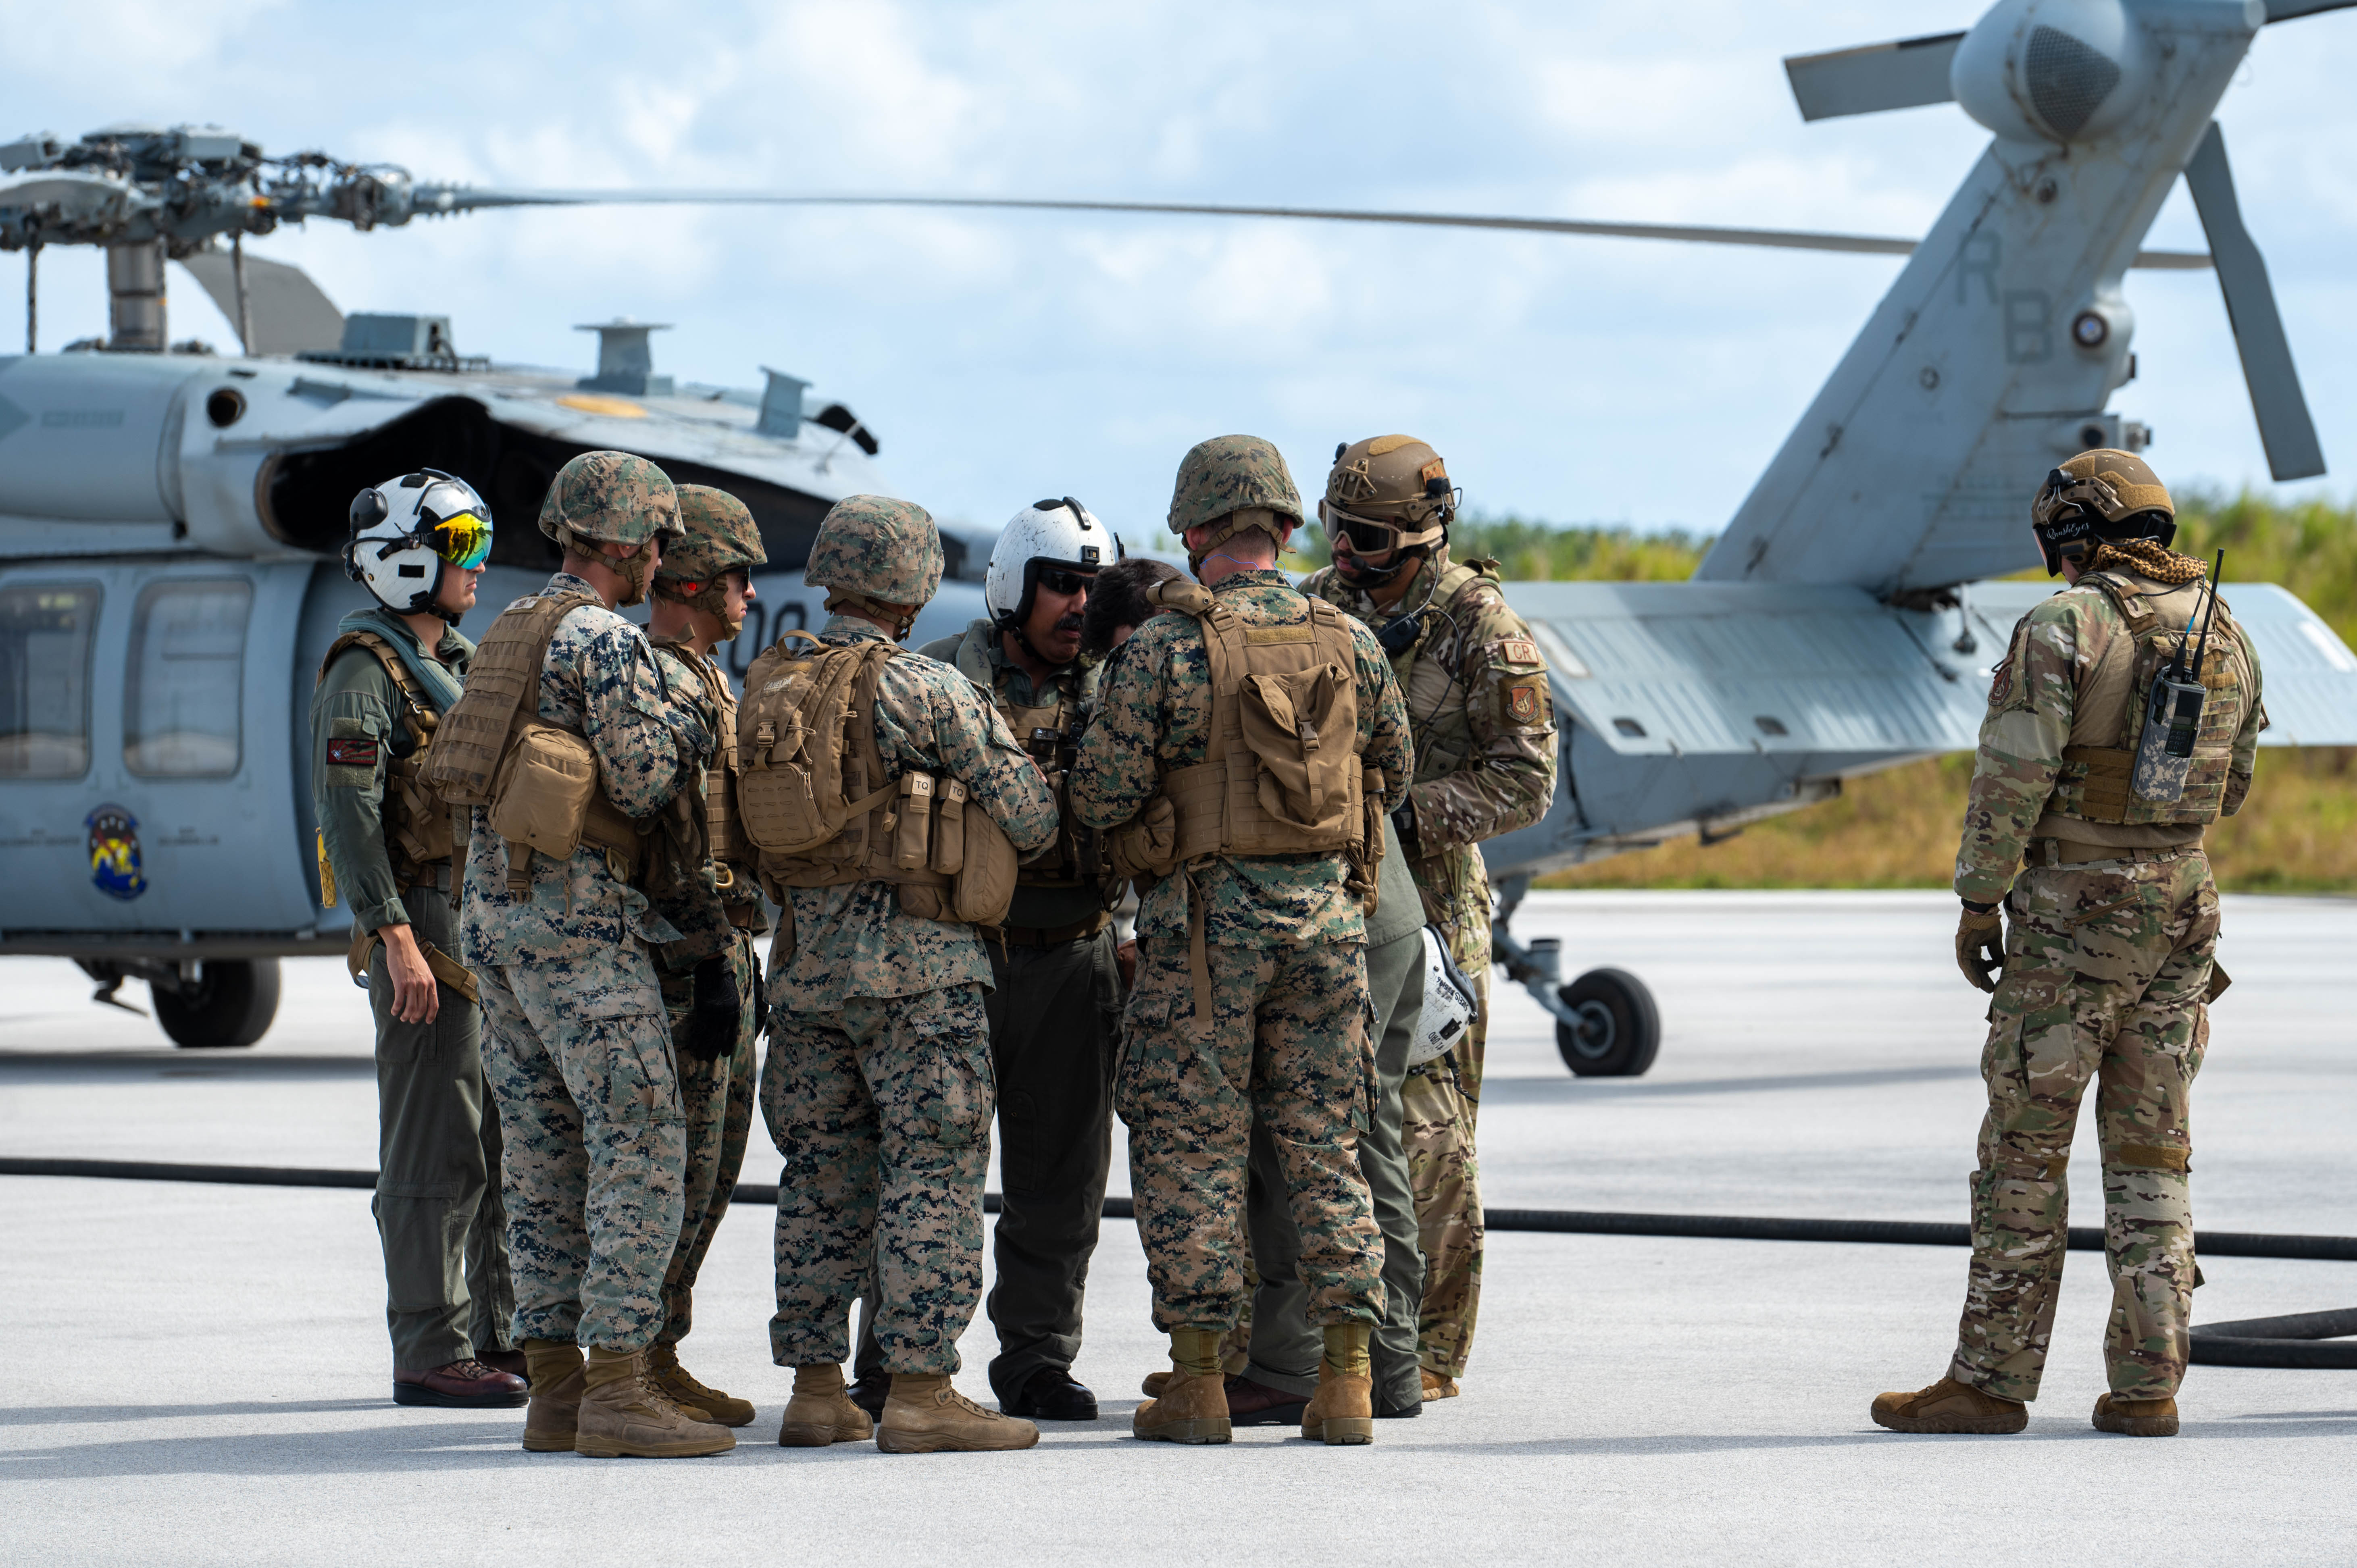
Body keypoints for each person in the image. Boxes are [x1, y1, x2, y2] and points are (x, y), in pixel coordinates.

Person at [1872, 449, 2264, 1440]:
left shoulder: (2063, 625)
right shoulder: (2226, 626)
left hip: (2070, 923)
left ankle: (1991, 1381)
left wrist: (1977, 903)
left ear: (2076, 532)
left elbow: (2010, 781)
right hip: (2181, 909)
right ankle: (2147, 1384)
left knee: (2022, 1152)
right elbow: (2236, 782)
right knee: (2152, 1156)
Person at [1070, 434, 1412, 1447]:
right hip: (1330, 938)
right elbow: (1390, 765)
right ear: (1287, 527)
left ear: (1193, 530)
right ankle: (1346, 1378)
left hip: (1205, 945)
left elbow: (1097, 795)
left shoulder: (1165, 649)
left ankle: (1200, 1382)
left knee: (1193, 1153)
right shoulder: (1349, 640)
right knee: (1326, 1143)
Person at [428, 448, 731, 1459]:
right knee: (642, 1135)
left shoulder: (511, 625)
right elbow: (645, 781)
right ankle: (617, 1386)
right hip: (575, 924)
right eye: (651, 540)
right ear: (615, 541)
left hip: (494, 922)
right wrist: (691, 711)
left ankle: (554, 1390)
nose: (658, 558)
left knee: (546, 1156)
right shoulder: (601, 637)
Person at [751, 495, 1061, 1454]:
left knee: (818, 1179)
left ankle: (814, 1388)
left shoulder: (770, 684)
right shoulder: (926, 688)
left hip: (802, 979)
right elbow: (1032, 817)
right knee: (933, 1175)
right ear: (915, 586)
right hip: (919, 981)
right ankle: (921, 1389)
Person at [1298, 433, 1557, 1400]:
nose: (1351, 558)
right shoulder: (1319, 607)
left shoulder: (1479, 627)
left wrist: (1407, 811)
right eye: (1339, 534)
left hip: (1434, 911)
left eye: (1369, 540)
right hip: (1325, 906)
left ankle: (1433, 1352)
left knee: (1429, 1137)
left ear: (1423, 535)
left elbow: (1528, 780)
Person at [312, 468, 522, 1410]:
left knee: (494, 1136)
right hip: (423, 919)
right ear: (406, 564)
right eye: (461, 549)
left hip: (475, 917)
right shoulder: (366, 670)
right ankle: (429, 1344)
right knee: (431, 1138)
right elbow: (349, 814)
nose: (477, 567)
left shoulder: (458, 662)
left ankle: (491, 1331)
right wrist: (392, 935)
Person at [907, 497, 1120, 1423]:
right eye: (1060, 586)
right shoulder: (943, 676)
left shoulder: (1121, 683)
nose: (1077, 605)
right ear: (1012, 588)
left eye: (1089, 586)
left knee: (1062, 1182)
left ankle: (1035, 1356)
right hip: (963, 957)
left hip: (1077, 958)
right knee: (927, 1170)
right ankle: (901, 1359)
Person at [637, 484, 770, 1431]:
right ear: (689, 580)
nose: (750, 596)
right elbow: (664, 837)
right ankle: (632, 1356)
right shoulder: (653, 679)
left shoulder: (710, 678)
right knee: (667, 1175)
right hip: (682, 967)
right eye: (737, 577)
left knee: (713, 1174)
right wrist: (707, 958)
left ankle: (662, 1348)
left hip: (723, 953)